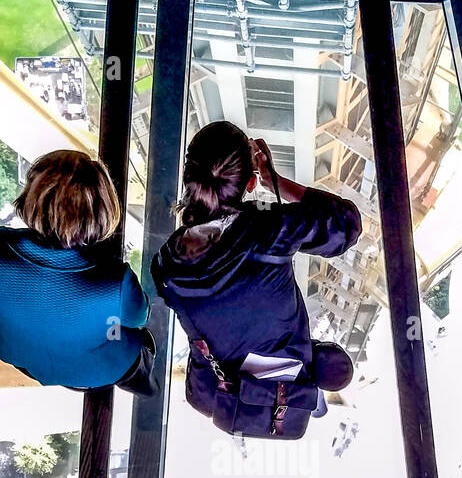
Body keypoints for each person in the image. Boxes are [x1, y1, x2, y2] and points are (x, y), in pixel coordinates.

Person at [151, 121, 361, 411]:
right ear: (250, 183)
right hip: (268, 382)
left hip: (219, 388)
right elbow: (345, 226)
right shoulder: (271, 228)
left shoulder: (164, 265)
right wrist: (275, 181)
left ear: (190, 180)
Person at [0, 149, 156, 395]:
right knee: (140, 347)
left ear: (32, 197)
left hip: (22, 355)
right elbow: (139, 318)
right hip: (100, 369)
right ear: (104, 213)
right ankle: (146, 387)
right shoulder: (115, 282)